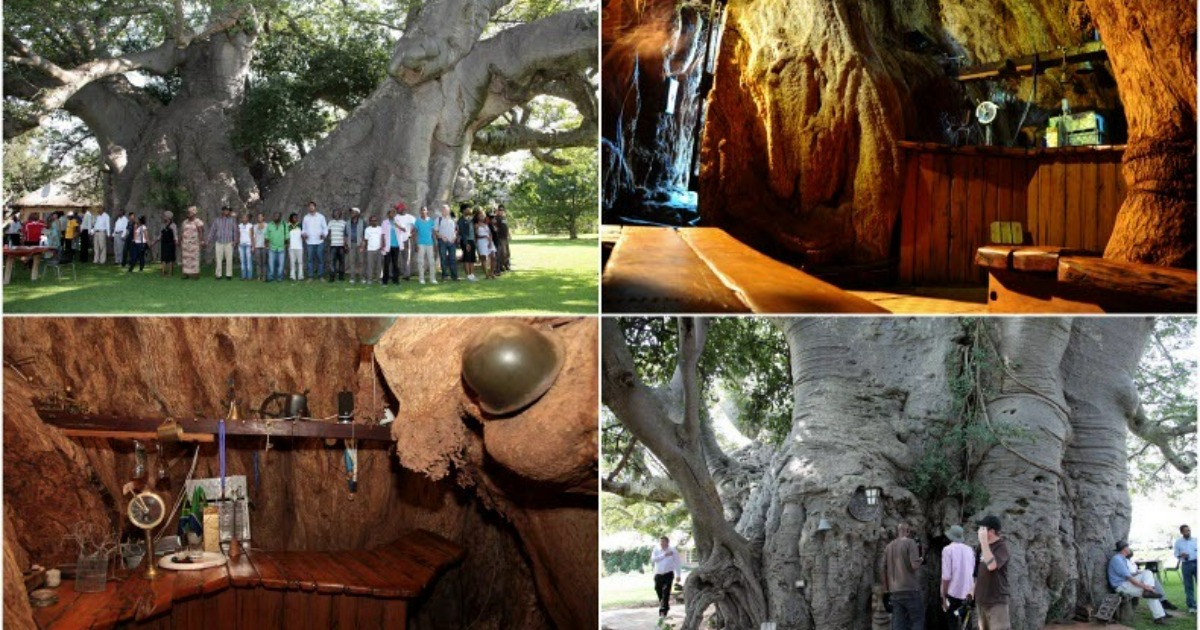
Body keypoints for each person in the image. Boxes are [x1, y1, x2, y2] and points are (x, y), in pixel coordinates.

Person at [1110, 541, 1171, 624]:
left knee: (1147, 572)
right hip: (1121, 586)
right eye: (1128, 547)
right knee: (1149, 592)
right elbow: (1129, 578)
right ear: (1124, 549)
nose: (1129, 549)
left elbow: (1129, 574)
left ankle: (1159, 615)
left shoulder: (1122, 559)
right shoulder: (1117, 559)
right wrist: (1145, 587)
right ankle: (1159, 617)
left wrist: (1139, 574)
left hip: (1126, 583)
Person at [883, 523, 924, 630]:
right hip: (910, 590)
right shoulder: (910, 542)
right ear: (908, 531)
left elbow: (883, 569)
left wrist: (886, 591)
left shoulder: (888, 547)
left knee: (898, 624)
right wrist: (921, 559)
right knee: (917, 621)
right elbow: (914, 565)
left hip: (894, 592)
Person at [975, 515, 1011, 630]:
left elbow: (991, 566)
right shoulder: (980, 548)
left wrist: (984, 543)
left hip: (996, 601)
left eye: (983, 528)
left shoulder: (1001, 547)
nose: (979, 531)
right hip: (982, 601)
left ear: (991, 531)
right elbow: (977, 573)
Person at [941, 525, 974, 629]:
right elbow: (972, 571)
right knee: (966, 624)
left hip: (953, 593)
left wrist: (944, 596)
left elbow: (946, 576)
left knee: (952, 622)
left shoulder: (947, 550)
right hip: (968, 594)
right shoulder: (970, 550)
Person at [651, 536, 682, 618]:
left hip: (668, 574)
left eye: (663, 542)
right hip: (658, 574)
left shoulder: (673, 551)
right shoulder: (656, 550)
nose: (662, 544)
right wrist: (664, 555)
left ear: (667, 542)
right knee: (658, 590)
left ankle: (663, 611)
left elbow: (677, 563)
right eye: (661, 542)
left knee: (666, 592)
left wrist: (678, 575)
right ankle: (665, 606)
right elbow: (653, 560)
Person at [301, 201, 327, 281]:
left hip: (319, 242)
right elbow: (303, 229)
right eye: (309, 206)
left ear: (315, 207)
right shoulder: (305, 217)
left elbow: (325, 228)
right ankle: (310, 276)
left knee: (320, 259)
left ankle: (321, 276)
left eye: (312, 206)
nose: (311, 207)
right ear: (308, 208)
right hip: (309, 242)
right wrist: (304, 234)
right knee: (309, 260)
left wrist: (324, 234)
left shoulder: (321, 217)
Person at [1175, 525, 1196, 613]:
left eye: (1189, 530)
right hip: (1186, 564)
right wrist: (1181, 555)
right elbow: (1176, 554)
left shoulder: (1196, 540)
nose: (1188, 532)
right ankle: (1192, 606)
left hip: (1197, 562)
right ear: (1182, 532)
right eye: (1186, 531)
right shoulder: (1178, 542)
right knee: (1188, 586)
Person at [211, 206, 237, 280]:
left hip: (229, 242)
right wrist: (209, 240)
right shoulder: (217, 220)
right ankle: (218, 275)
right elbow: (213, 230)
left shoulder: (232, 220)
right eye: (225, 211)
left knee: (229, 259)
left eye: (228, 211)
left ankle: (229, 275)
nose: (226, 212)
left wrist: (235, 241)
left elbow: (235, 231)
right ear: (222, 211)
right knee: (218, 259)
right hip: (219, 242)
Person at [179, 207, 205, 279]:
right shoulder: (185, 222)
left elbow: (201, 232)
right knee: (185, 259)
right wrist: (179, 240)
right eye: (187, 212)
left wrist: (202, 241)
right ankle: (186, 274)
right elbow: (182, 232)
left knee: (194, 259)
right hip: (185, 243)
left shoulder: (198, 222)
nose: (188, 214)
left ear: (194, 213)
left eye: (189, 212)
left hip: (194, 244)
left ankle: (195, 274)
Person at [414, 206, 437, 284]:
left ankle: (432, 279)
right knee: (420, 262)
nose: (423, 211)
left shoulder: (431, 221)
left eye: (425, 210)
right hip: (420, 244)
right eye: (422, 210)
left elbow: (433, 232)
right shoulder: (417, 221)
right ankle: (421, 279)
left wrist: (435, 243)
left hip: (430, 244)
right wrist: (415, 244)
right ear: (420, 211)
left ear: (427, 211)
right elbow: (414, 233)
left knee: (432, 261)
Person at [151, 211, 178, 277]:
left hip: (171, 243)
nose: (163, 217)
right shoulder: (163, 225)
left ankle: (170, 272)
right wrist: (154, 242)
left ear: (168, 217)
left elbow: (175, 234)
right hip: (164, 243)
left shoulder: (173, 225)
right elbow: (160, 235)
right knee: (163, 258)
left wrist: (176, 241)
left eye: (165, 216)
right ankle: (163, 272)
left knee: (171, 258)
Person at [435, 205, 458, 282]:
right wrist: (442, 237)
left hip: (452, 242)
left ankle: (454, 276)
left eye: (447, 210)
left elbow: (455, 230)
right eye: (444, 210)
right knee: (443, 259)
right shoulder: (438, 219)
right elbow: (435, 231)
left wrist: (454, 237)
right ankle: (445, 276)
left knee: (453, 259)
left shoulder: (452, 220)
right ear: (442, 211)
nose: (445, 211)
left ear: (449, 211)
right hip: (442, 242)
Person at [394, 202, 415, 280]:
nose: (398, 210)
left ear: (403, 209)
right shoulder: (395, 217)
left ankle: (406, 275)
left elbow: (415, 226)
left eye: (399, 209)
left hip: (406, 240)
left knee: (406, 258)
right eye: (397, 209)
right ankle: (395, 274)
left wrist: (411, 233)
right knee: (395, 258)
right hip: (397, 240)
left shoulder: (410, 217)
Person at [381, 208, 403, 286]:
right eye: (391, 213)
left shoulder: (397, 221)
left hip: (396, 246)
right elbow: (382, 234)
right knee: (386, 263)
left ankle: (396, 280)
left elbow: (404, 230)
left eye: (394, 213)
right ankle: (385, 281)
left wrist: (397, 225)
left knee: (395, 264)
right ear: (388, 214)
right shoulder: (385, 222)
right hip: (388, 246)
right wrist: (382, 244)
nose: (393, 214)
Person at [264, 213, 287, 282]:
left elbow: (287, 236)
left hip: (281, 248)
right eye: (274, 216)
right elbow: (267, 235)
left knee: (281, 265)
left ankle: (279, 278)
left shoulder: (284, 224)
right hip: (272, 248)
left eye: (277, 216)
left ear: (280, 217)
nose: (275, 217)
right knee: (271, 264)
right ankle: (270, 277)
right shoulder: (269, 225)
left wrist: (286, 245)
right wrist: (266, 244)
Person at [457, 203, 477, 281]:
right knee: (467, 258)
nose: (470, 210)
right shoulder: (461, 220)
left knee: (472, 258)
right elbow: (462, 232)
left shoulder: (471, 219)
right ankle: (468, 275)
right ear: (463, 210)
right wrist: (466, 243)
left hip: (472, 240)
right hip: (466, 241)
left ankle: (472, 274)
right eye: (468, 208)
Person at [327, 208, 347, 282]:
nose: (336, 214)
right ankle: (332, 277)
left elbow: (346, 235)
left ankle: (341, 277)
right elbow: (327, 232)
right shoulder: (330, 223)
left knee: (342, 262)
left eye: (338, 213)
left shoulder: (344, 223)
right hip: (333, 245)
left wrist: (345, 245)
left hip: (341, 245)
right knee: (332, 262)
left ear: (340, 214)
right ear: (333, 214)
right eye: (335, 213)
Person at [474, 210, 496, 280]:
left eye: (483, 215)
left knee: (493, 256)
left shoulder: (486, 224)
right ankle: (486, 274)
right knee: (483, 258)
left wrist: (490, 241)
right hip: (481, 242)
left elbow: (490, 233)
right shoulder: (476, 225)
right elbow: (476, 236)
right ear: (477, 216)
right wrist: (484, 237)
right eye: (480, 215)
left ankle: (492, 273)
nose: (482, 217)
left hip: (489, 241)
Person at [362, 215, 383, 285]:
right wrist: (363, 247)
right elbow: (365, 240)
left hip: (379, 249)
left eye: (375, 220)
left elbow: (382, 238)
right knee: (370, 265)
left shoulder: (380, 229)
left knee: (379, 265)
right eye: (372, 221)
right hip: (370, 249)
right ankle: (370, 279)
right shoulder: (367, 229)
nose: (374, 222)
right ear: (370, 222)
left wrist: (382, 246)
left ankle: (379, 279)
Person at [346, 207, 365, 283]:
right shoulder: (347, 223)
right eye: (351, 212)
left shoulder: (362, 222)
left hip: (360, 244)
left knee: (361, 261)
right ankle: (352, 278)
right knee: (352, 261)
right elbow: (345, 234)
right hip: (351, 244)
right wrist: (346, 244)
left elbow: (365, 234)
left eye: (353, 212)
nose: (351, 214)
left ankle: (362, 277)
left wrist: (363, 245)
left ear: (358, 213)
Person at [494, 204, 510, 273]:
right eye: (500, 210)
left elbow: (506, 227)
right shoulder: (496, 218)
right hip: (500, 237)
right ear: (497, 210)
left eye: (502, 210)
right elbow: (495, 227)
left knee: (507, 252)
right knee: (502, 253)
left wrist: (509, 234)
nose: (501, 211)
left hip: (505, 237)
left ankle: (506, 265)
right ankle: (500, 266)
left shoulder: (504, 218)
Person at [288, 213, 304, 281]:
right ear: (291, 218)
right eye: (294, 217)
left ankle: (300, 276)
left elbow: (303, 234)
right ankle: (292, 276)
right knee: (292, 262)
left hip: (299, 247)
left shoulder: (300, 225)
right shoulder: (288, 226)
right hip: (291, 247)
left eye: (296, 217)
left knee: (300, 262)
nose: (296, 219)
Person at [253, 212, 268, 281]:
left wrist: (267, 245)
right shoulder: (255, 226)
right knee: (258, 262)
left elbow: (268, 236)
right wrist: (253, 246)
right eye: (258, 217)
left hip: (264, 246)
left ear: (263, 217)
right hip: (257, 246)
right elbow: (254, 237)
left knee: (264, 262)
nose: (259, 218)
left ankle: (264, 276)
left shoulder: (267, 225)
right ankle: (259, 276)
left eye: (261, 217)